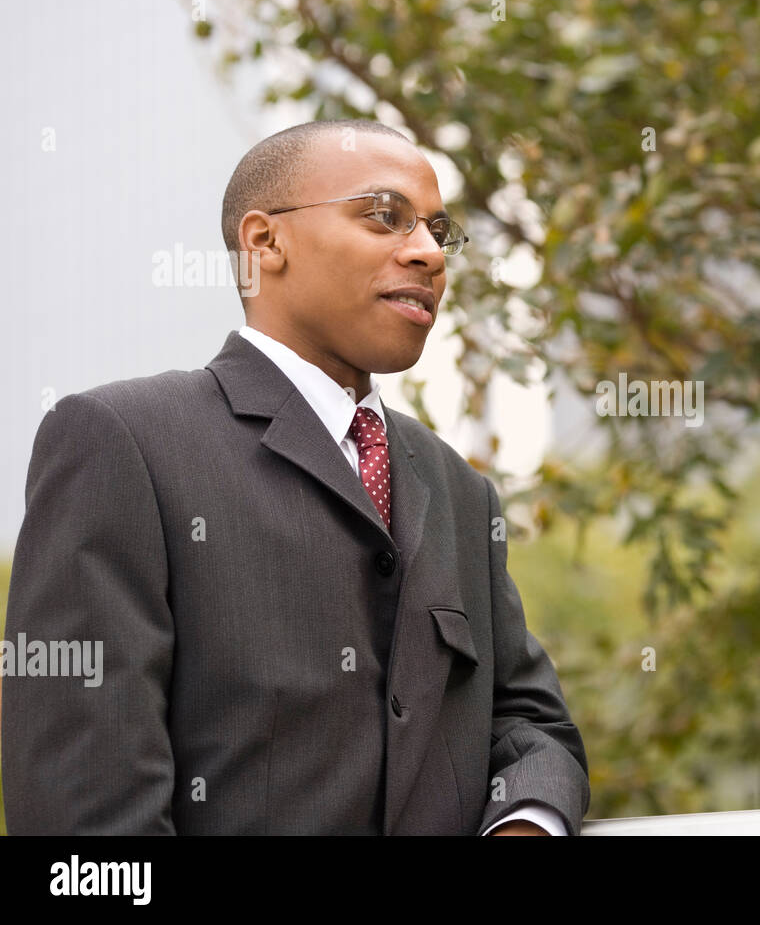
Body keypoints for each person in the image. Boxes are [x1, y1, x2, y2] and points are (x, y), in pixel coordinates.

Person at [2, 119, 589, 835]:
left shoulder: (458, 489)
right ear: (264, 242)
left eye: (440, 231)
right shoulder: (123, 442)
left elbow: (529, 724)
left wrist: (524, 821)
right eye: (385, 216)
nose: (430, 254)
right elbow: (85, 812)